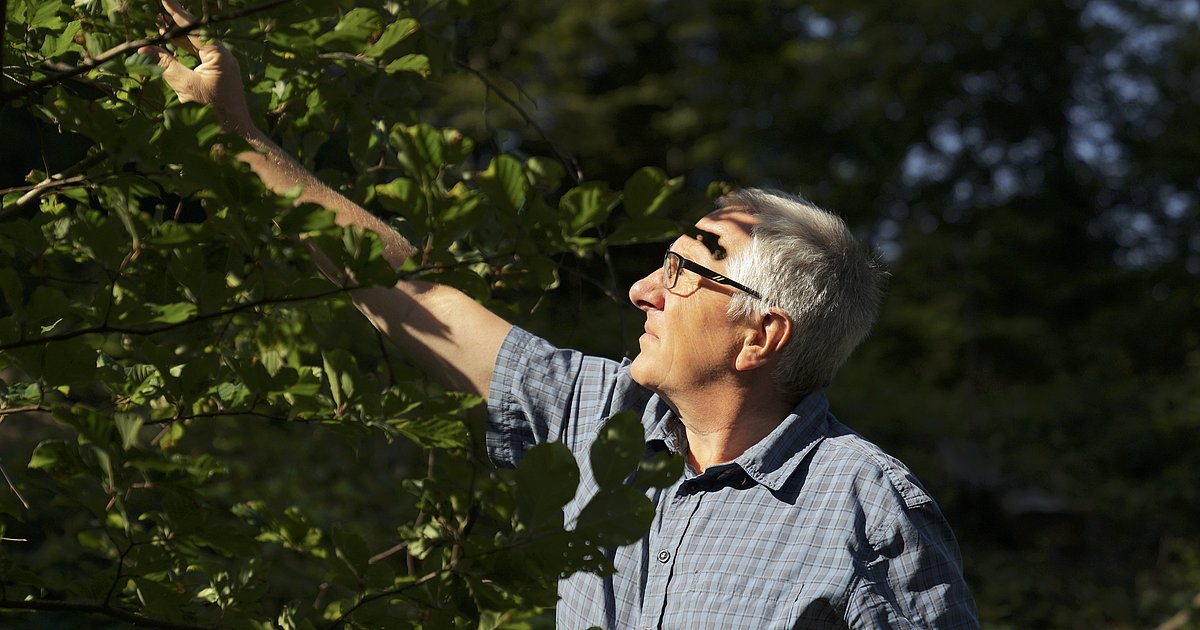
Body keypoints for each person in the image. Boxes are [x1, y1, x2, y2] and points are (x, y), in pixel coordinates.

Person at [141, 1, 980, 627]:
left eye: (685, 274)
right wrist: (240, 142)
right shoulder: (601, 419)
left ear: (761, 335)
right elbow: (420, 297)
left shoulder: (864, 507)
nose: (643, 290)